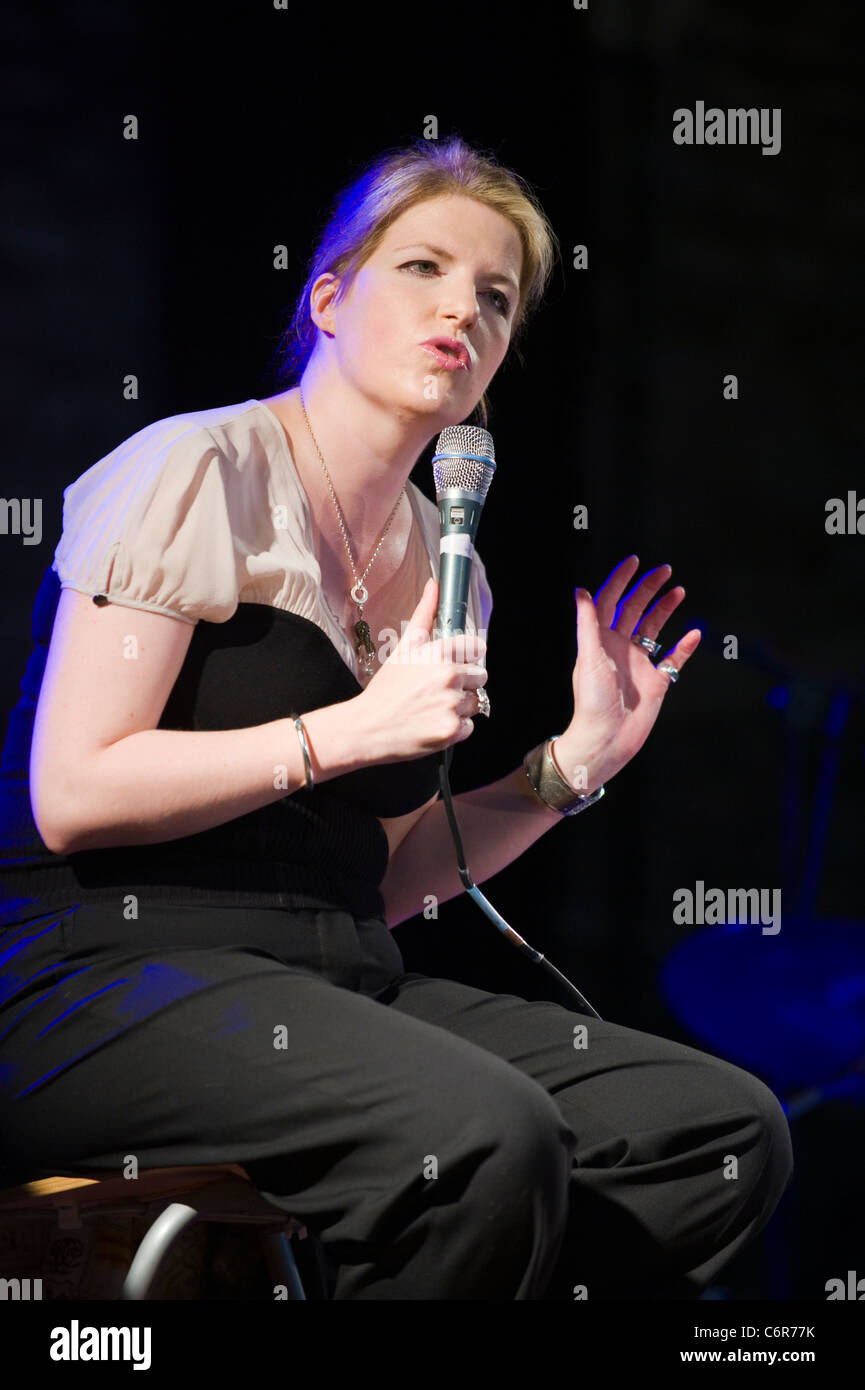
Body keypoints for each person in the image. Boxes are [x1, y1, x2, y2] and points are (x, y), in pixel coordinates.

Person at [0, 135, 792, 1300]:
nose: (460, 313)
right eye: (422, 268)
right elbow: (74, 795)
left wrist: (565, 768)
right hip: (97, 971)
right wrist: (347, 732)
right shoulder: (194, 470)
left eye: (494, 297)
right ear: (328, 297)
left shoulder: (440, 553)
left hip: (321, 968)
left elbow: (384, 878)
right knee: (480, 1132)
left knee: (716, 1134)